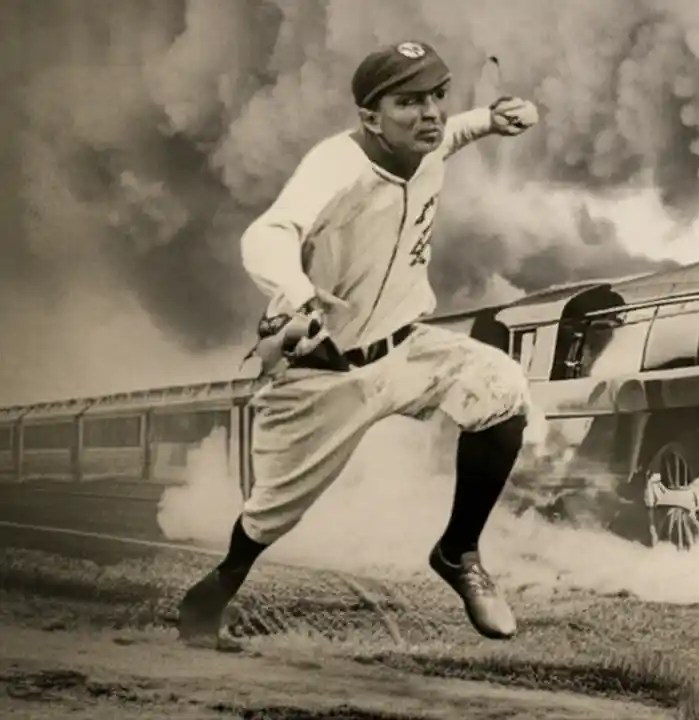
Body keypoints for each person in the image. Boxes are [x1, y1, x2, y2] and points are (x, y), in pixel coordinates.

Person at [176, 39, 540, 650]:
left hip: (405, 349)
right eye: (408, 102)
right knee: (269, 517)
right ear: (370, 117)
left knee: (502, 387)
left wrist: (489, 119)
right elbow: (266, 234)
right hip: (326, 372)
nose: (430, 113)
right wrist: (298, 295)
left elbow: (450, 135)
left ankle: (457, 552)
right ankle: (209, 598)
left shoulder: (426, 143)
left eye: (436, 96)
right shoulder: (335, 167)